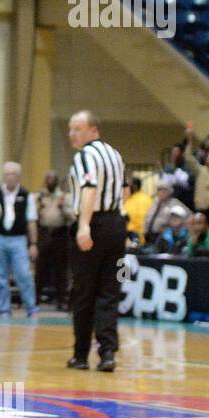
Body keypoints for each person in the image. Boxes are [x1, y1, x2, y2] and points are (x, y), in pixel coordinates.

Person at [66, 110, 126, 373]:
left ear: (94, 130)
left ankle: (80, 355)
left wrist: (83, 226)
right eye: (70, 129)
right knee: (109, 292)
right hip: (116, 224)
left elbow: (89, 190)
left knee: (84, 292)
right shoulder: (115, 154)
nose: (72, 134)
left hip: (93, 223)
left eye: (78, 129)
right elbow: (125, 190)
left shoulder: (85, 156)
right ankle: (108, 352)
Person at [0, 162, 39, 318]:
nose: (10, 177)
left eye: (13, 174)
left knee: (24, 275)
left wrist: (33, 243)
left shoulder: (26, 195)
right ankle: (4, 310)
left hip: (18, 240)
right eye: (7, 174)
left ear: (18, 176)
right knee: (0, 277)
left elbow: (32, 220)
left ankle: (31, 308)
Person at [35, 171, 72, 308]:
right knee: (40, 268)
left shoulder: (64, 197)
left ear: (56, 181)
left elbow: (72, 217)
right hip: (44, 233)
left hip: (60, 234)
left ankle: (62, 300)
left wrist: (62, 208)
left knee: (61, 269)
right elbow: (33, 216)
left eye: (53, 178)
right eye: (48, 178)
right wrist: (39, 207)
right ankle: (36, 298)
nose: (50, 180)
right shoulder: (39, 196)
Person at [122, 176, 152, 242]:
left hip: (135, 235)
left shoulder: (144, 199)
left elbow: (142, 220)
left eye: (128, 185)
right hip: (124, 233)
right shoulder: (128, 198)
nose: (125, 188)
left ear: (135, 186)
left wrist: (139, 238)